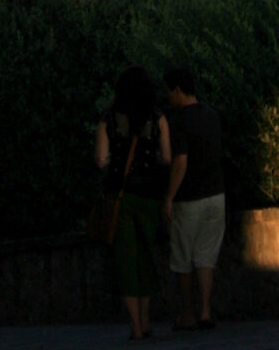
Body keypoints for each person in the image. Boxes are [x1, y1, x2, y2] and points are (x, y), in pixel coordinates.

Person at [95, 66, 171, 341]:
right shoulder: (158, 117)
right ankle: (147, 318)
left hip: (122, 195)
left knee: (126, 259)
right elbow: (166, 157)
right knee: (146, 255)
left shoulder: (109, 120)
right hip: (149, 195)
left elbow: (101, 160)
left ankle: (135, 325)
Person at [162, 68, 225, 331]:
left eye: (169, 91)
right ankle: (206, 310)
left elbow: (180, 162)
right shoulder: (211, 115)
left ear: (177, 90)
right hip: (215, 195)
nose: (168, 97)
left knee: (184, 259)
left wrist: (169, 197)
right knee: (206, 257)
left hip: (189, 199)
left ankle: (188, 314)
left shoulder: (177, 121)